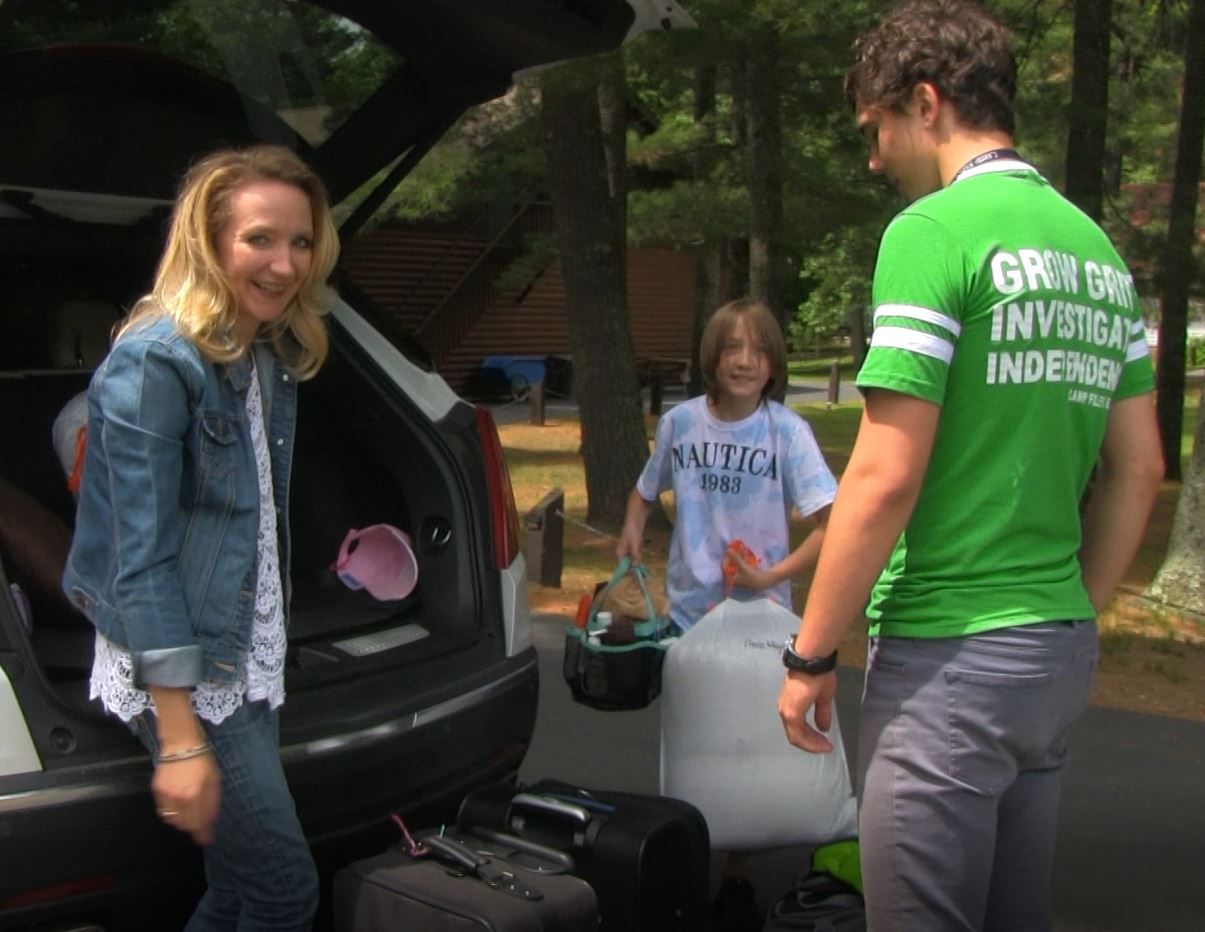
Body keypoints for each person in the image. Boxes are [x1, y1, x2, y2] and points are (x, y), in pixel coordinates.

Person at [776, 2, 1165, 929]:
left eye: (875, 131)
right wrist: (1073, 606)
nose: (873, 160)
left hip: (950, 655)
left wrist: (811, 652)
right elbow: (1139, 468)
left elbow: (881, 474)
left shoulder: (933, 232)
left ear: (925, 101)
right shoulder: (1098, 254)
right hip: (1053, 654)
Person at [62, 144, 339, 931]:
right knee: (286, 891)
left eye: (300, 241)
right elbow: (137, 562)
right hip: (188, 663)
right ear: (209, 242)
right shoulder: (154, 363)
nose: (285, 265)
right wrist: (180, 737)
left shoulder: (260, 349)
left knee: (240, 891)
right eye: (260, 239)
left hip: (242, 646)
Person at [618, 297, 837, 931]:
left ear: (774, 362)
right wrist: (633, 530)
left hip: (759, 624)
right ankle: (684, 866)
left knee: (744, 749)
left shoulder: (785, 433)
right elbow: (642, 489)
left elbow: (833, 525)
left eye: (759, 349)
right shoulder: (682, 424)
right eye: (732, 347)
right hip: (689, 618)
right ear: (711, 357)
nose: (745, 361)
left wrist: (771, 574)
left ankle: (735, 875)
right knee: (691, 744)